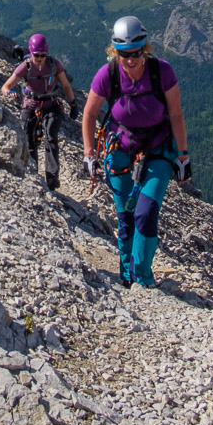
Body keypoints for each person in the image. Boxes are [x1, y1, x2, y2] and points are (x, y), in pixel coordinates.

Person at [80, 15, 191, 288]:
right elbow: (90, 113)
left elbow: (176, 114)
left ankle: (142, 277)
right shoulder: (108, 74)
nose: (130, 60)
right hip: (120, 150)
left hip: (158, 149)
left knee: (147, 210)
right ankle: (126, 275)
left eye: (136, 53)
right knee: (126, 215)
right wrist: (89, 153)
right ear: (114, 51)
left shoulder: (161, 72)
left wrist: (183, 156)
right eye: (123, 54)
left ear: (146, 48)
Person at [1, 34, 76, 190]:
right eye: (37, 55)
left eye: (43, 55)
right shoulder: (25, 67)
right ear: (31, 52)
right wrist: (9, 93)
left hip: (51, 104)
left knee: (51, 136)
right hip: (31, 104)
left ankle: (52, 178)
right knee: (29, 139)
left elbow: (65, 85)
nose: (40, 58)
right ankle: (34, 171)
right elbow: (6, 86)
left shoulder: (54, 65)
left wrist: (73, 104)